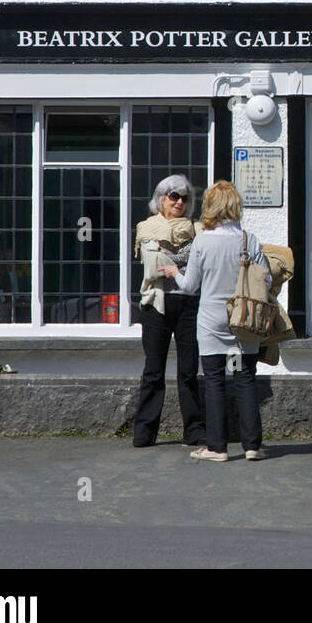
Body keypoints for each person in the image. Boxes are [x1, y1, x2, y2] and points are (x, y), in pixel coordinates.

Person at [161, 180, 270, 462]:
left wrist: (175, 272)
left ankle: (217, 447)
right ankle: (252, 446)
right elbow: (266, 279)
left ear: (211, 206)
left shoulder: (203, 241)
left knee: (214, 381)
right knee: (246, 378)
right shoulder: (249, 239)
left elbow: (190, 285)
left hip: (211, 320)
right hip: (243, 317)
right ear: (235, 206)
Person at [132, 175, 205, 447]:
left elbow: (199, 270)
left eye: (185, 198)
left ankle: (195, 431)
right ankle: (145, 433)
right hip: (156, 304)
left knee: (188, 372)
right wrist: (183, 267)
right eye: (174, 196)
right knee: (153, 370)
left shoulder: (198, 229)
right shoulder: (147, 227)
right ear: (161, 198)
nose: (179, 202)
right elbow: (153, 268)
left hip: (189, 304)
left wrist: (172, 265)